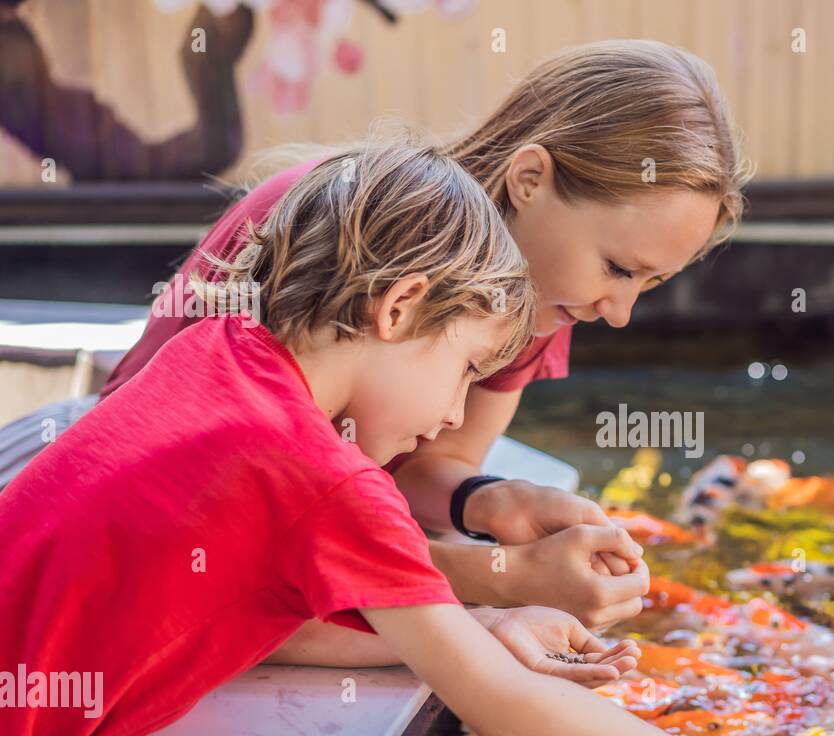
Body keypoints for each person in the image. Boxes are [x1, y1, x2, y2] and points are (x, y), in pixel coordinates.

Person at [0, 139, 818, 736]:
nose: (457, 409)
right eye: (464, 367)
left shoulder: (220, 351)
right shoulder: (322, 477)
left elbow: (248, 609)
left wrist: (485, 620)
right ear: (399, 309)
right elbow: (511, 713)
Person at [0, 40, 751, 657]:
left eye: (649, 284)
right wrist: (498, 578)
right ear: (530, 179)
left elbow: (416, 462)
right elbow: (229, 547)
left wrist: (488, 502)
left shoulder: (545, 304)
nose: (618, 313)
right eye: (618, 269)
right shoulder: (314, 231)